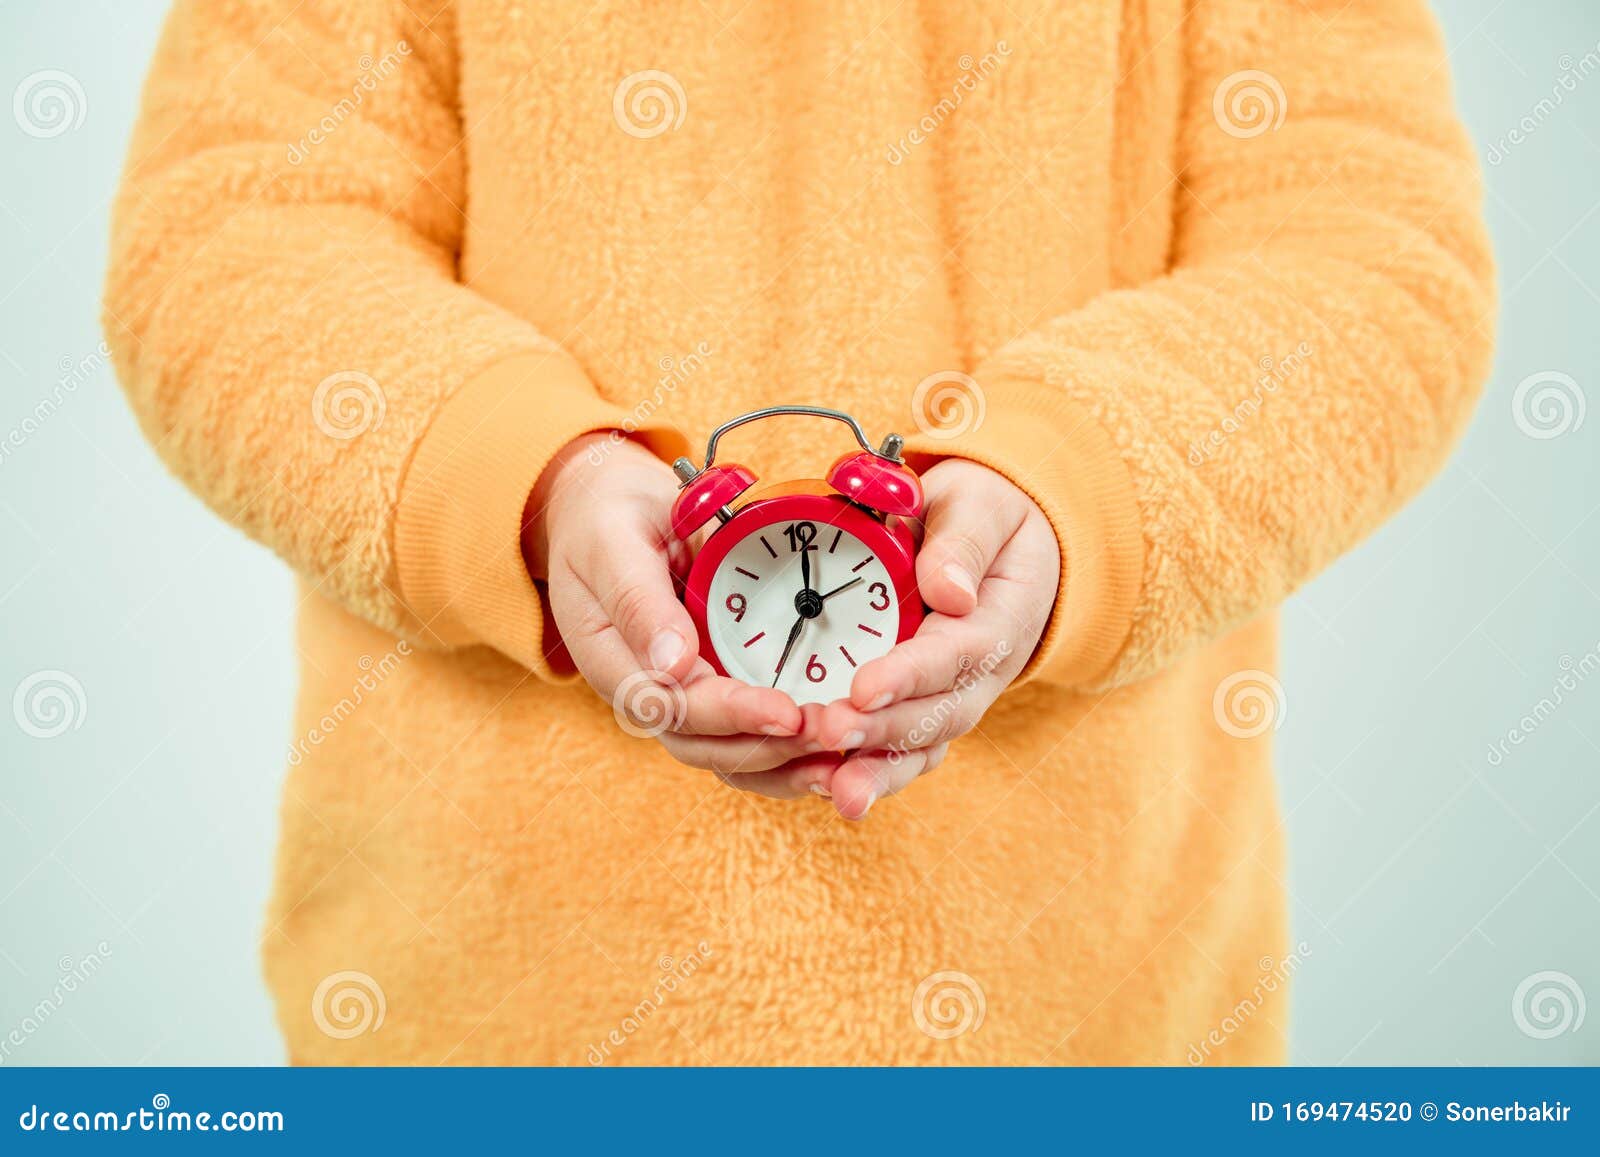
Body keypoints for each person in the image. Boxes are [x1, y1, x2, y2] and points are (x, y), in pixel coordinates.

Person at [105, 0, 1494, 1064]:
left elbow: (1367, 253)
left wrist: (1081, 482)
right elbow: (236, 232)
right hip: (485, 1026)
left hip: (1088, 1024)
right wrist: (532, 482)